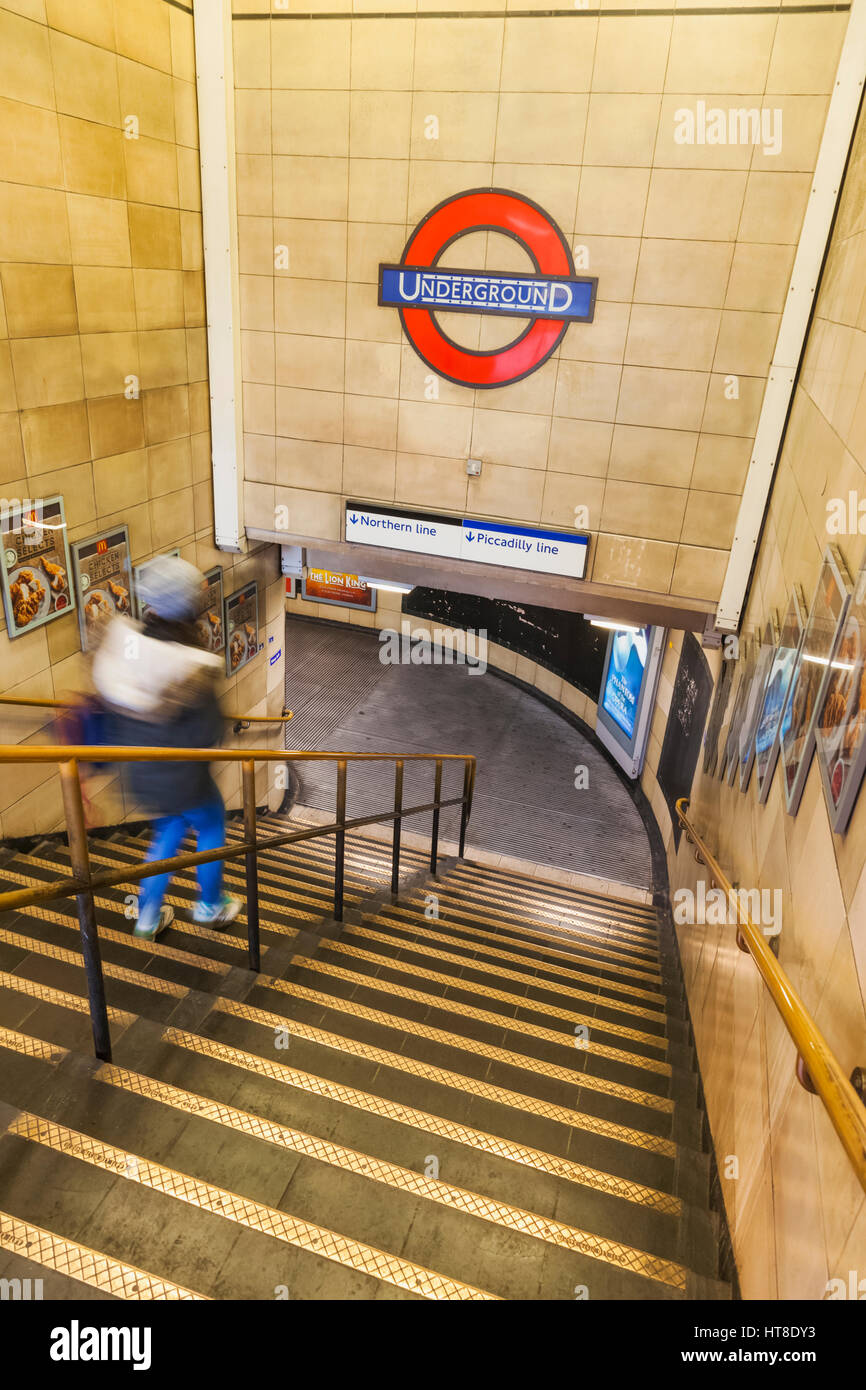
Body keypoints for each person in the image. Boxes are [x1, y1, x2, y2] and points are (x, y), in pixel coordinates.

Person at [91, 555, 241, 940]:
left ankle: (146, 917)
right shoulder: (192, 665)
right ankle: (210, 905)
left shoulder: (124, 644)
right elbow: (210, 731)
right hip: (184, 776)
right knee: (211, 825)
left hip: (141, 774)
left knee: (169, 831)